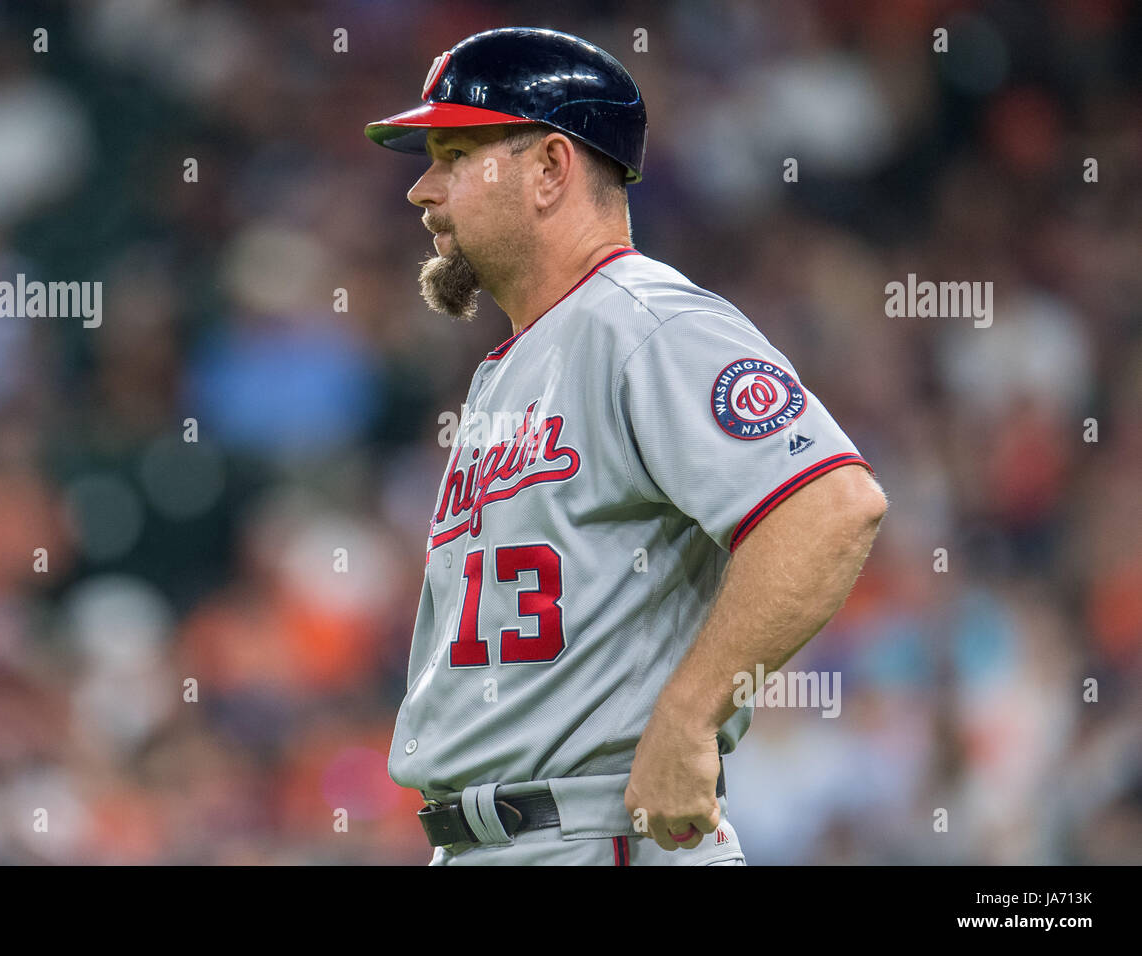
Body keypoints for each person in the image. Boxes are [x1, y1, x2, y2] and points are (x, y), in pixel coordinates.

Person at [365, 27, 888, 865]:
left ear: (548, 170)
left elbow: (832, 505)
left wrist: (690, 716)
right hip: (496, 841)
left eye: (456, 153)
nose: (423, 189)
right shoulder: (520, 361)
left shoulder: (646, 321)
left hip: (599, 835)